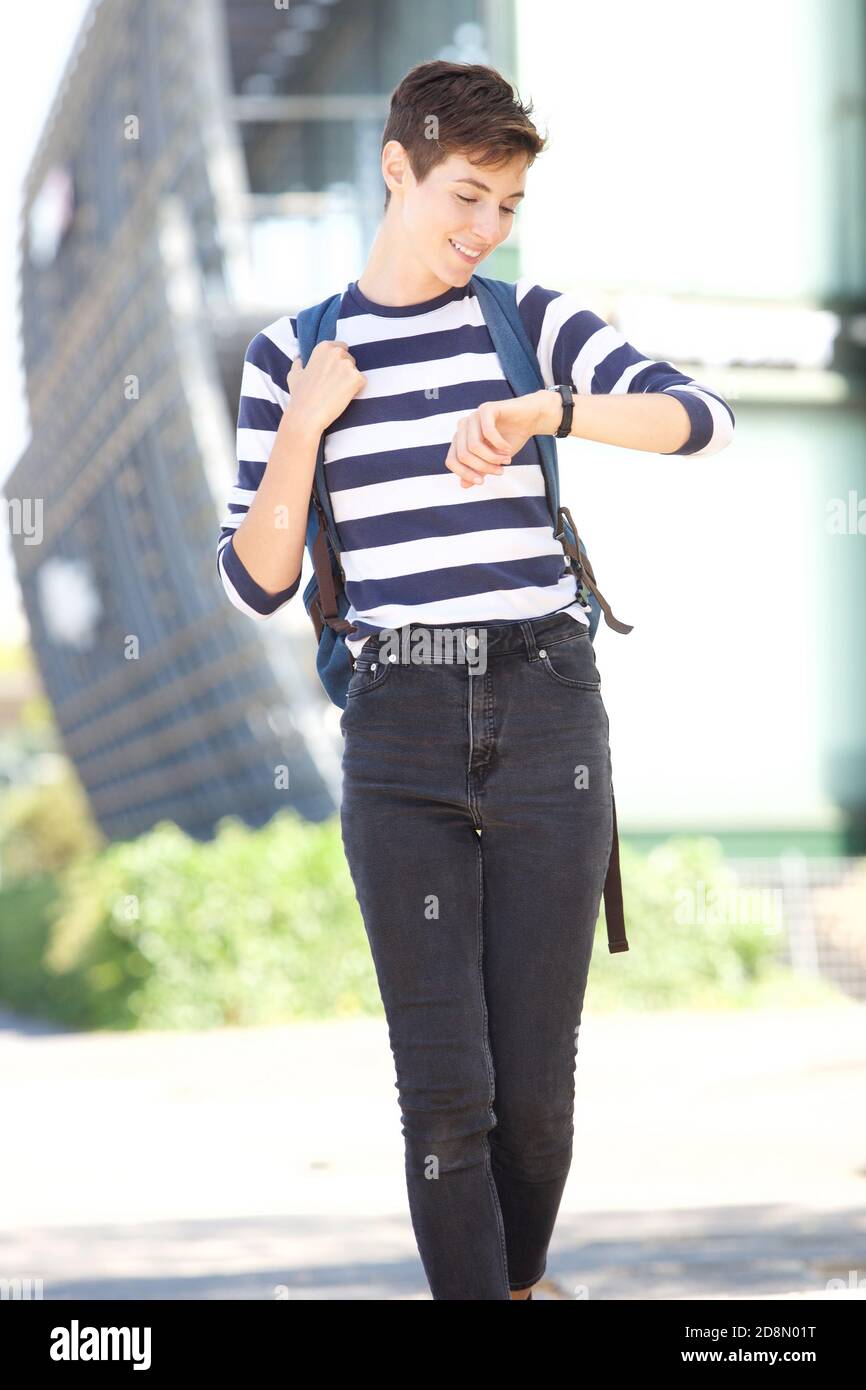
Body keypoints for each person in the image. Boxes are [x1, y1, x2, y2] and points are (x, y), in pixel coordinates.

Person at [216, 60, 735, 1300]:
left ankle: (515, 1282)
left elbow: (701, 417)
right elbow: (258, 579)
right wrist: (305, 423)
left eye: (503, 206)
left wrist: (546, 409)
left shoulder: (527, 321)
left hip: (545, 701)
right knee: (445, 1096)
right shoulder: (291, 352)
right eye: (462, 195)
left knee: (535, 1095)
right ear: (395, 169)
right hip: (398, 728)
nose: (480, 229)